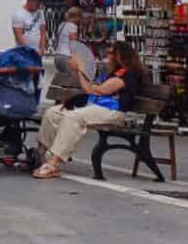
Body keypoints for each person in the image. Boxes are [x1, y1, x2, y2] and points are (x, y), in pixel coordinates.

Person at [32, 41, 141, 179]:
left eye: (110, 53)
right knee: (53, 112)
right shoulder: (114, 73)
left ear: (119, 55)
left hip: (113, 112)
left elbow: (96, 90)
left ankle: (54, 163)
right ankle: (40, 156)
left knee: (73, 117)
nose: (107, 56)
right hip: (97, 108)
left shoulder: (128, 75)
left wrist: (79, 70)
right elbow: (92, 88)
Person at [56, 6, 97, 79]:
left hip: (58, 57)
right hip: (67, 58)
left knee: (63, 80)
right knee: (74, 80)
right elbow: (73, 45)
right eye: (80, 18)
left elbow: (57, 42)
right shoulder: (72, 26)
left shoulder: (61, 25)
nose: (80, 20)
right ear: (76, 17)